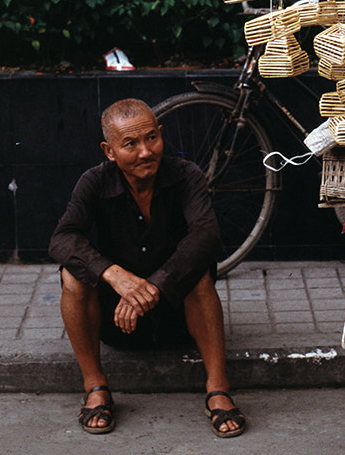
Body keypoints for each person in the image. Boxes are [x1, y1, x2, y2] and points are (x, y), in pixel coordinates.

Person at [48, 98, 245, 437]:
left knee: (198, 271)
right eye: (130, 144)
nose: (145, 152)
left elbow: (207, 235)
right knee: (72, 276)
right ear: (109, 151)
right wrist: (115, 275)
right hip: (118, 322)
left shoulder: (186, 176)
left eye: (151, 138)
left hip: (177, 314)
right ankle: (96, 387)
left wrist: (156, 285)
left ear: (161, 134)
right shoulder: (94, 182)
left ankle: (218, 388)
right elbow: (61, 239)